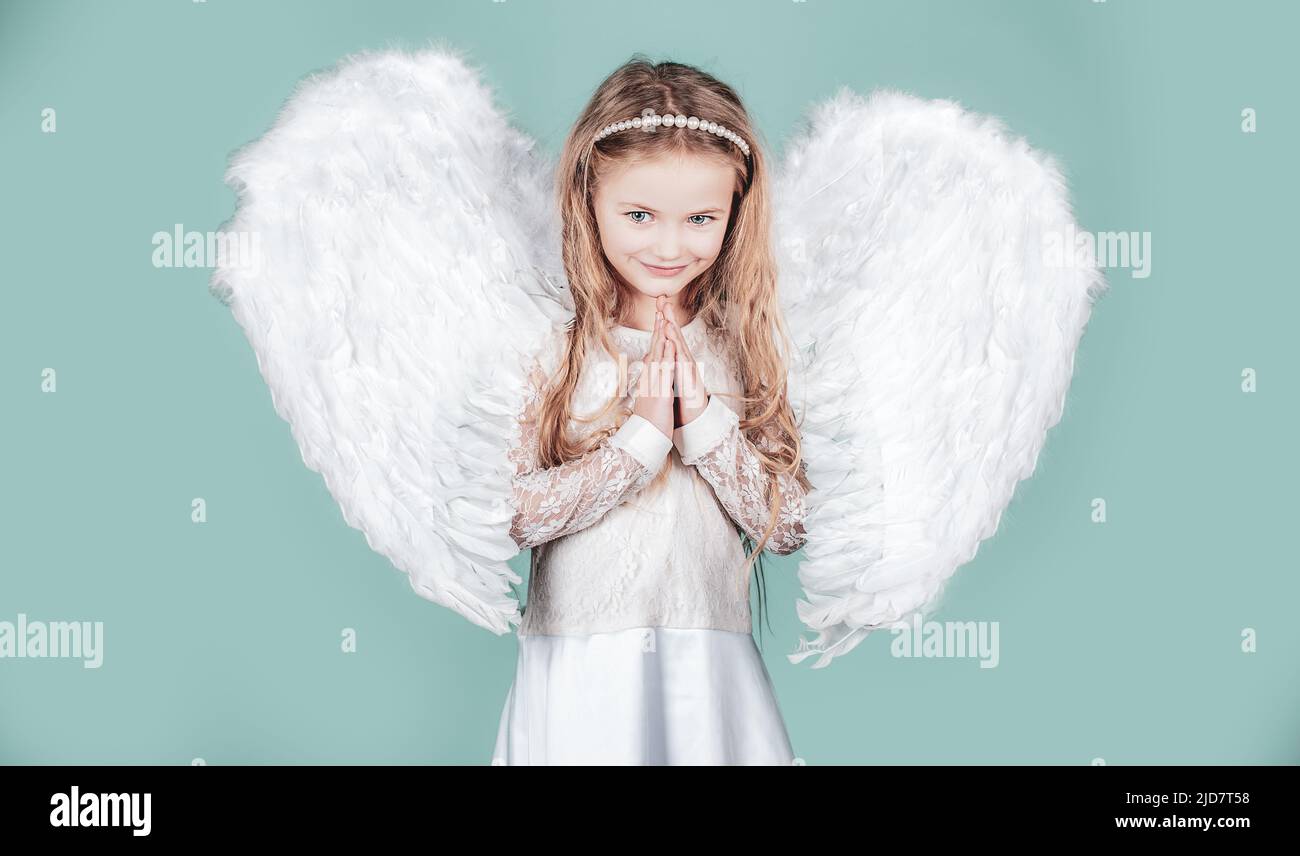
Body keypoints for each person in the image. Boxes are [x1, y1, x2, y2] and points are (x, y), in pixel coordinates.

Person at [491, 57, 811, 765]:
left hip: (709, 677)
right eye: (639, 215)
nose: (670, 246)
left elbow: (788, 524)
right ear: (588, 199)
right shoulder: (549, 343)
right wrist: (639, 442)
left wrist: (699, 420)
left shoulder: (745, 344)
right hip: (580, 675)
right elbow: (508, 514)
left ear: (735, 211)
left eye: (701, 219)